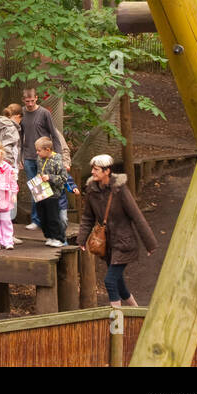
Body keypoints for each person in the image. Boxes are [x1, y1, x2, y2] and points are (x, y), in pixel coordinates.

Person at [76, 154, 157, 308]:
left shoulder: (120, 190)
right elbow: (88, 217)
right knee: (119, 283)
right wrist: (81, 240)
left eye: (96, 169)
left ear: (107, 171)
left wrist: (150, 243)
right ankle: (137, 311)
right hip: (107, 245)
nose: (92, 172)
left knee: (110, 281)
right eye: (93, 168)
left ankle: (116, 322)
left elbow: (137, 216)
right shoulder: (92, 190)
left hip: (124, 243)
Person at [18, 87, 62, 231]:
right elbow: (19, 136)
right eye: (27, 101)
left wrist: (58, 155)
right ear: (23, 100)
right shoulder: (22, 113)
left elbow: (53, 134)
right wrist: (20, 157)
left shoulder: (44, 113)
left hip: (44, 157)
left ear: (36, 98)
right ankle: (36, 220)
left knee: (48, 186)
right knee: (35, 188)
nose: (30, 104)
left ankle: (50, 218)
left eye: (32, 100)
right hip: (29, 155)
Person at [33, 138, 70, 247]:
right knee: (42, 215)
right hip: (40, 191)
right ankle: (49, 236)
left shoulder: (58, 161)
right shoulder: (39, 159)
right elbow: (39, 171)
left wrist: (50, 177)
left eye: (39, 150)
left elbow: (63, 178)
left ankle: (59, 238)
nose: (37, 153)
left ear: (47, 149)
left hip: (53, 193)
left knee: (52, 216)